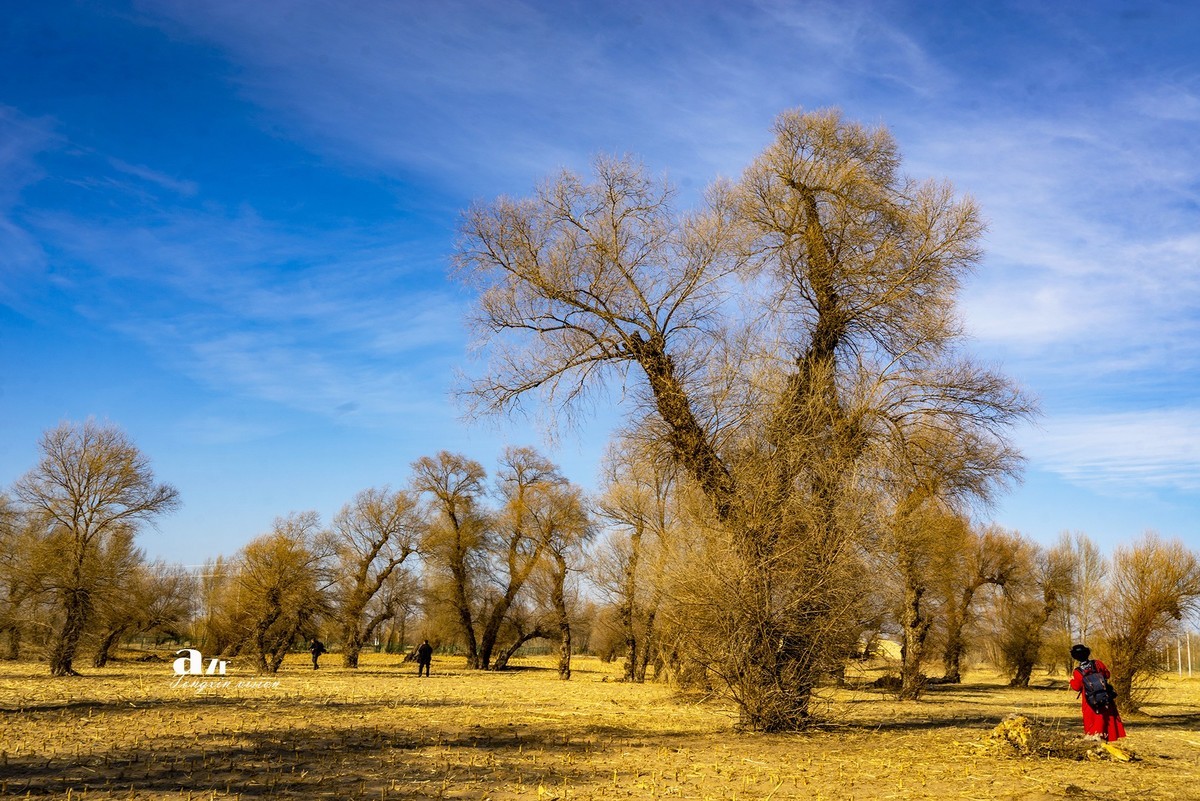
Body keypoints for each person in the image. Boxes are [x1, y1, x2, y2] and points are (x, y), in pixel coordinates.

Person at [1069, 643, 1126, 741]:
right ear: (1087, 654)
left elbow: (1077, 687)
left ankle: (1094, 736)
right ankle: (1106, 736)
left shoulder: (1077, 671)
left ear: (1075, 657)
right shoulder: (1097, 663)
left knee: (1092, 718)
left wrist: (1071, 681)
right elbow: (1107, 675)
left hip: (1089, 699)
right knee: (1106, 716)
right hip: (1104, 695)